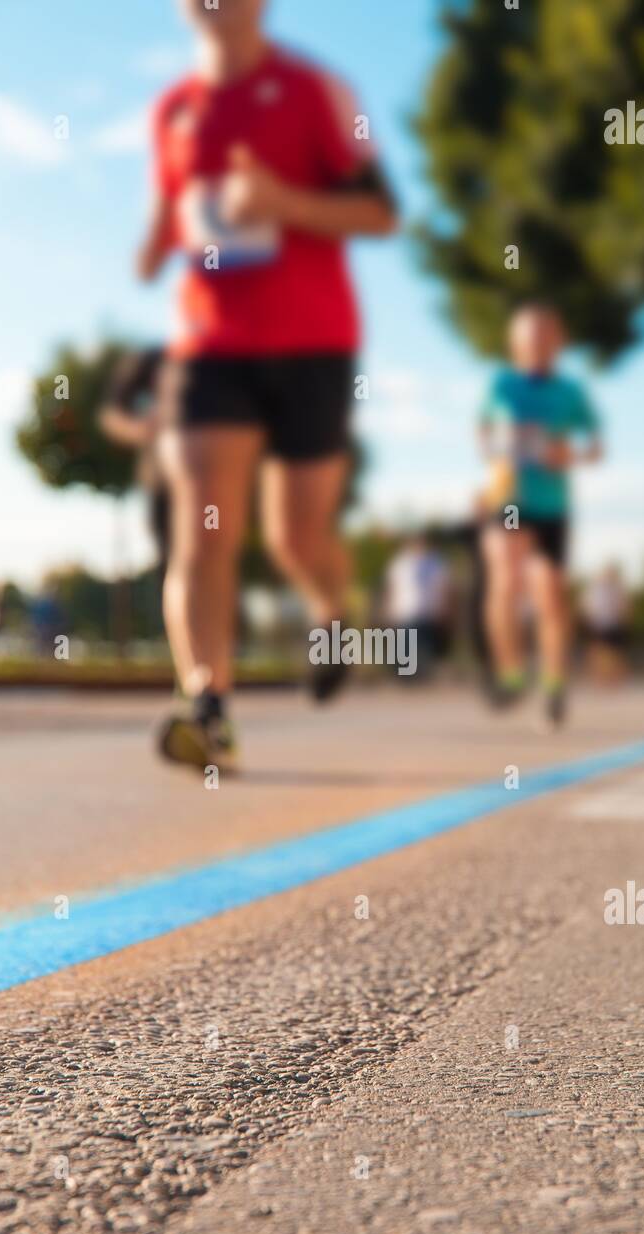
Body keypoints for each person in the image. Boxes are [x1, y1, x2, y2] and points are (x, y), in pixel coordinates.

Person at [138, 0, 398, 770]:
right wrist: (156, 245)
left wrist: (284, 204)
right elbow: (170, 205)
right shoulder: (173, 110)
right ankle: (208, 709)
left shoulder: (320, 90)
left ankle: (330, 609)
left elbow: (382, 211)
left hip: (314, 344)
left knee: (296, 536)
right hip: (210, 346)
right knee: (205, 530)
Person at [478, 304, 602, 723]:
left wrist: (572, 455)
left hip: (553, 504)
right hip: (510, 497)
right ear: (515, 344)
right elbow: (481, 434)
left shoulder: (572, 393)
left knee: (549, 593)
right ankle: (512, 673)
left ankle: (553, 682)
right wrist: (496, 450)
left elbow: (596, 448)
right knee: (507, 577)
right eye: (530, 338)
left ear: (560, 341)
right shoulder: (501, 384)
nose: (538, 345)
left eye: (546, 336)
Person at [99, 347, 169, 576]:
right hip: (162, 482)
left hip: (212, 483)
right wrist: (143, 430)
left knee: (214, 547)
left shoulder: (215, 359)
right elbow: (111, 415)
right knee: (170, 557)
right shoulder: (149, 361)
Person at [383, 533, 453, 679]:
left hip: (428, 613)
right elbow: (392, 588)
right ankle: (408, 672)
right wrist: (389, 609)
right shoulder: (400, 563)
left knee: (419, 639)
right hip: (404, 612)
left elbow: (444, 588)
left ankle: (417, 671)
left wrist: (445, 609)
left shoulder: (435, 562)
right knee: (405, 639)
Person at [582, 564, 631, 685]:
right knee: (599, 652)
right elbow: (587, 607)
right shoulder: (594, 589)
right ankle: (600, 678)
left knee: (616, 652)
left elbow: (625, 606)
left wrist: (625, 618)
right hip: (599, 624)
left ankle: (615, 678)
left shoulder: (618, 589)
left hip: (615, 624)